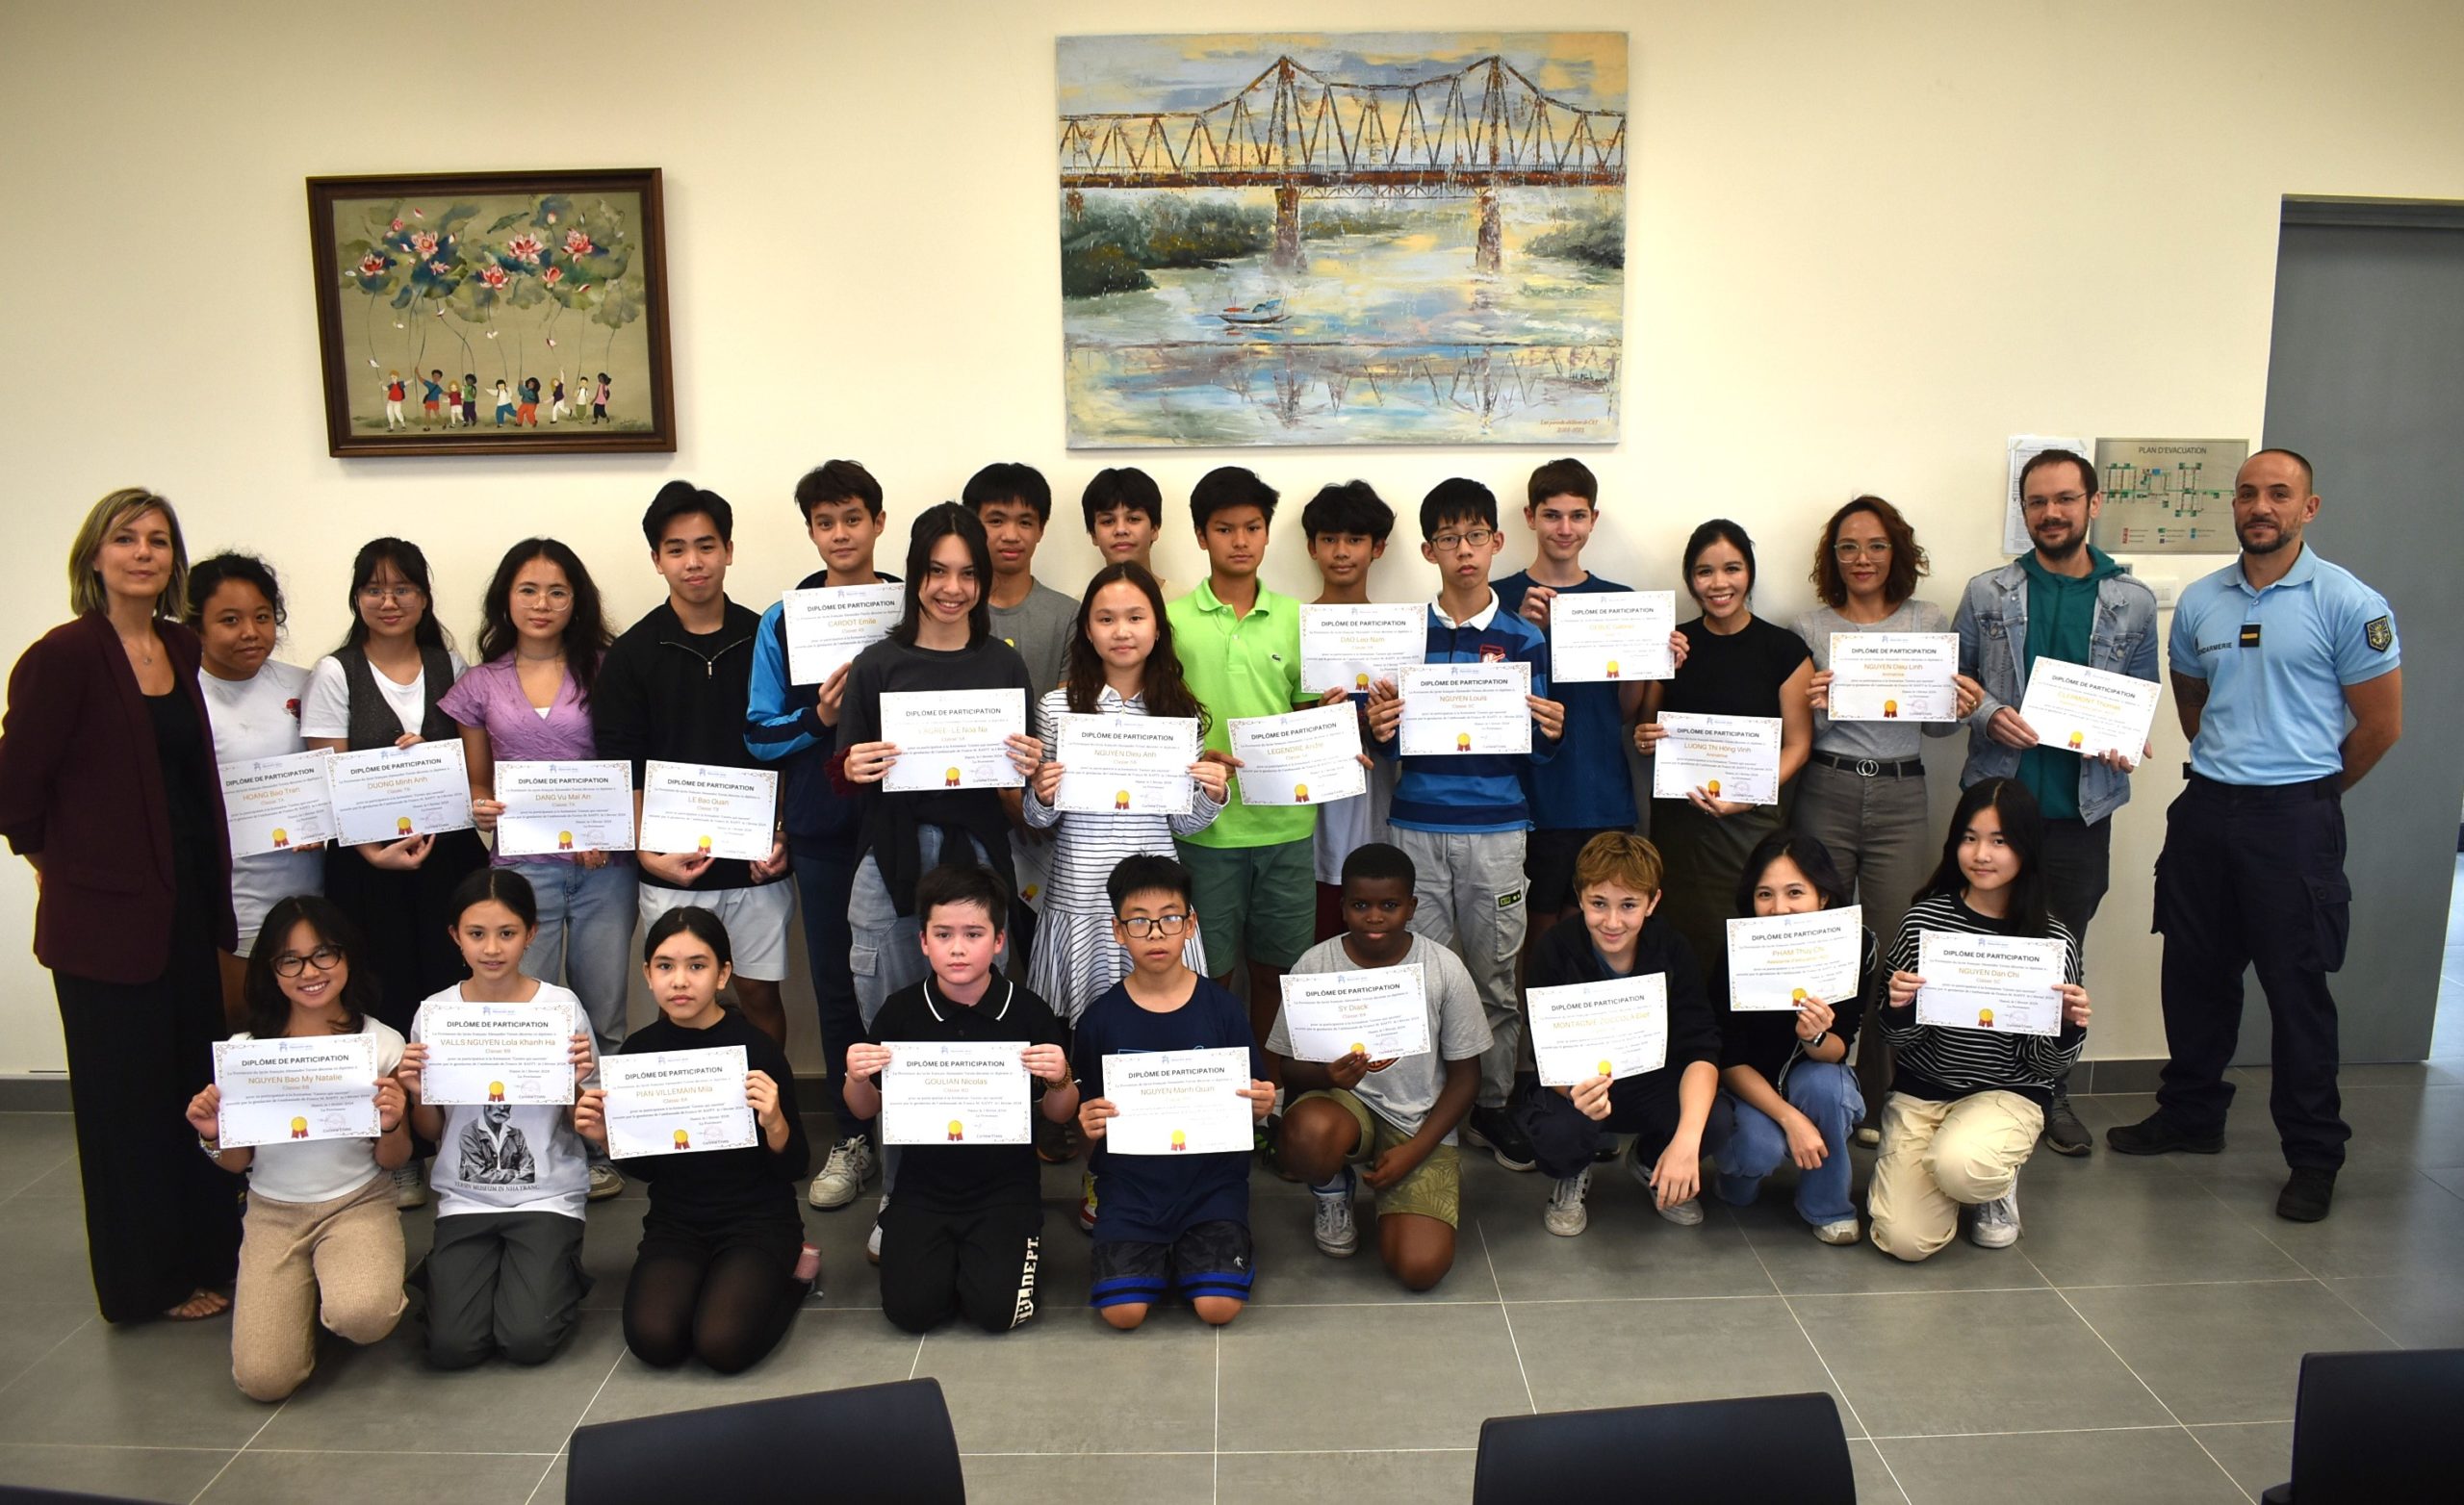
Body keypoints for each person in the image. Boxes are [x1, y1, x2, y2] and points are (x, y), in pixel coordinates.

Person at [2109, 448, 2403, 1224]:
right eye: (2248, 494)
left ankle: (2313, 1155)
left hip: (2295, 821)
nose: (2260, 506)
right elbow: (2193, 701)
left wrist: (2308, 792)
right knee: (2195, 973)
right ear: (2232, 507)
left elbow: (2380, 726)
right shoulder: (2204, 601)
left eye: (2279, 494)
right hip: (2208, 809)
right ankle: (2192, 1116)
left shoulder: (2348, 602)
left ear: (2309, 508)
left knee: (2296, 987)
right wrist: (2235, 776)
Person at [0, 488, 243, 1323]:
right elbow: (15, 793)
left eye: (160, 541)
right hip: (104, 925)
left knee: (196, 1090)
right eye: (126, 539)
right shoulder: (64, 655)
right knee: (125, 1108)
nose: (144, 553)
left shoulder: (179, 644)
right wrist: (54, 869)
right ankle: (146, 1283)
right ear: (94, 555)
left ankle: (210, 1256)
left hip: (181, 910)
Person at [835, 504, 1041, 1255]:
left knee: (984, 1029)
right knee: (895, 1032)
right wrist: (852, 766)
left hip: (979, 861)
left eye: (967, 574)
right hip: (890, 860)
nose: (952, 589)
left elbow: (1017, 800)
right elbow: (842, 777)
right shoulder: (877, 664)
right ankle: (902, 1193)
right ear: (915, 575)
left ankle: (992, 1189)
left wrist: (1027, 773)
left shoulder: (1004, 664)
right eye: (937, 572)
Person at [1952, 448, 2159, 1159]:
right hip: (1998, 808)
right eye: (2038, 502)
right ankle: (1972, 1082)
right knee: (1979, 951)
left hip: (2079, 815)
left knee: (2059, 958)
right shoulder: (1988, 592)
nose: (2052, 513)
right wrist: (1989, 716)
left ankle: (2049, 1090)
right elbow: (1956, 689)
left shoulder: (2131, 600)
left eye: (2066, 499)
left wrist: (2125, 737)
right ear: (2024, 510)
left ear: (2092, 504)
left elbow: (2140, 697)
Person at [1363, 477, 1566, 1172]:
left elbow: (1536, 747)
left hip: (1498, 830)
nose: (1464, 550)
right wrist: (1379, 728)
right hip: (1417, 825)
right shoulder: (1402, 635)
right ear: (1428, 550)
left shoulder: (1523, 637)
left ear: (1498, 542)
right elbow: (1385, 746)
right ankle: (1421, 1107)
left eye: (1476, 535)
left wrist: (1551, 732)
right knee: (1420, 975)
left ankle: (1493, 1104)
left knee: (1494, 978)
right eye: (1448, 538)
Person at [301, 537, 487, 1208]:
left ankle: (455, 1142)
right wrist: (373, 850)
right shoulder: (333, 672)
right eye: (375, 588)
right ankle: (397, 1148)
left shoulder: (452, 663)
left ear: (424, 596)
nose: (389, 601)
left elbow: (474, 771)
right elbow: (325, 782)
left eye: (404, 588)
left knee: (447, 994)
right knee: (381, 994)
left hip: (449, 860)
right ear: (356, 597)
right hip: (365, 867)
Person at [444, 537, 631, 1203]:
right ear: (506, 599)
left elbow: (625, 763)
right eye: (528, 589)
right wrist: (483, 805)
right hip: (520, 875)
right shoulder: (478, 684)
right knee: (530, 1014)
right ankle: (535, 1139)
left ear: (576, 599)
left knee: (602, 1009)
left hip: (604, 868)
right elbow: (475, 785)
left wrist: (605, 826)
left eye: (557, 590)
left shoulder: (608, 669)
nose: (543, 603)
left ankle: (597, 1142)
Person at [1791, 496, 1977, 1145]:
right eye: (1847, 547)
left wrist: (1959, 704)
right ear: (1831, 557)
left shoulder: (1929, 620)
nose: (1861, 559)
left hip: (1902, 795)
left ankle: (1881, 1094)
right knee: (1827, 947)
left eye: (1874, 546)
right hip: (1828, 787)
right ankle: (1825, 1088)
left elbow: (1937, 725)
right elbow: (1798, 730)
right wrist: (1813, 703)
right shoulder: (1808, 626)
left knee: (1900, 948)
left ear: (1896, 551)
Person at [183, 897, 411, 1399]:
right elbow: (238, 1163)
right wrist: (212, 1134)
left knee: (364, 1316)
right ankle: (302, 1293)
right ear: (272, 970)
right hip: (272, 1213)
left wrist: (392, 1123)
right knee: (264, 1381)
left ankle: (338, 1286)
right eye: (291, 959)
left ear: (347, 957)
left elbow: (394, 1161)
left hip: (357, 1202)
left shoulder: (382, 1043)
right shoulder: (246, 1052)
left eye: (324, 954)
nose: (309, 971)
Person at [591, 481, 793, 1046]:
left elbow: (793, 747)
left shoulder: (767, 637)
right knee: (678, 1000)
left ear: (729, 550)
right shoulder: (632, 654)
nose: (694, 562)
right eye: (676, 549)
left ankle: (764, 1115)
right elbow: (621, 762)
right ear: (657, 560)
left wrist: (784, 834)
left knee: (758, 996)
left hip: (758, 863)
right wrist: (647, 854)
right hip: (672, 862)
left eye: (706, 546)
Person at [745, 460, 894, 1213]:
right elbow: (758, 735)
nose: (840, 534)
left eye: (853, 518)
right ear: (810, 531)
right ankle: (854, 1136)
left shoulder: (913, 605)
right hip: (826, 829)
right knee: (837, 988)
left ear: (878, 523)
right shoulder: (785, 618)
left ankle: (919, 1130)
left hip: (905, 822)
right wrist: (820, 719)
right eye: (825, 522)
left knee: (916, 978)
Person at [842, 864, 1079, 1333]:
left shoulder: (1028, 1013)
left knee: (996, 1313)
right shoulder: (901, 1013)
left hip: (1005, 1189)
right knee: (910, 1313)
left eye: (973, 933)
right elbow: (866, 1109)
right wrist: (856, 1079)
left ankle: (994, 1251)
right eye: (943, 934)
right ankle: (941, 1253)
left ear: (998, 940)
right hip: (923, 1187)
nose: (957, 947)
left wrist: (1060, 1080)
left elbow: (1060, 1112)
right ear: (923, 941)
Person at [574, 906, 812, 1373]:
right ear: (647, 974)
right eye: (665, 966)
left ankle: (796, 1277)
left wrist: (776, 1124)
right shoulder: (639, 1053)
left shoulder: (757, 1047)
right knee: (654, 1342)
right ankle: (712, 1282)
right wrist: (607, 1138)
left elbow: (797, 1165)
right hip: (677, 1223)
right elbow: (649, 1169)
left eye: (696, 966)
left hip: (757, 1222)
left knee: (722, 1345)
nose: (679, 981)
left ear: (723, 973)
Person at [1868, 778, 2092, 1262]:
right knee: (1906, 1241)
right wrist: (1900, 1004)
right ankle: (1945, 1164)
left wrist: (2069, 1027)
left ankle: (1990, 1182)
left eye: (1999, 840)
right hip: (1922, 1092)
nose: (1981, 854)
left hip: (2007, 1092)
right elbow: (1894, 1036)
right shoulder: (1923, 922)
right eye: (1970, 838)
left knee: (1963, 1167)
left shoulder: (2052, 940)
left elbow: (2046, 1065)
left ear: (2026, 849)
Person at [1168, 466, 1341, 1046]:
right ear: (1200, 536)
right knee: (1207, 974)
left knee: (1278, 972)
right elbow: (1158, 721)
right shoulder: (1170, 620)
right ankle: (1216, 1089)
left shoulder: (1298, 619)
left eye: (1252, 527)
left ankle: (1265, 1097)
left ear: (1267, 534)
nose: (1239, 542)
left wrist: (1334, 726)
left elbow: (1310, 715)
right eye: (1224, 529)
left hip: (1287, 827)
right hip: (1205, 829)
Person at [1269, 842, 1489, 1288]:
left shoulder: (1444, 968)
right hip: (1343, 1107)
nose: (1374, 917)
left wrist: (1417, 1150)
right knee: (1308, 1135)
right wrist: (1325, 1076)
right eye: (1360, 905)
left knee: (1419, 1268)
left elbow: (1468, 1078)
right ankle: (1332, 1190)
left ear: (1411, 907)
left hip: (1419, 1122)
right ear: (1343, 907)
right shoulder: (1316, 964)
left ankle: (1398, 1188)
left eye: (1389, 905)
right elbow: (1287, 1066)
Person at [399, 869, 597, 1367]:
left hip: (547, 1195)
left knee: (527, 1341)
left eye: (507, 933)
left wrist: (578, 1083)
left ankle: (555, 1272)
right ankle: (456, 1277)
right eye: (476, 934)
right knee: (451, 1348)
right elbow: (433, 1133)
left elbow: (583, 1121)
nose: (492, 948)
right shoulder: (434, 1014)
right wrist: (417, 1093)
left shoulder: (561, 1007)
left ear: (531, 933)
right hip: (464, 1197)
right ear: (455, 937)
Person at [1073, 855, 1275, 1328]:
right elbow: (1088, 1116)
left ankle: (1205, 1250)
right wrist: (1086, 1124)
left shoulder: (1223, 1010)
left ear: (1191, 925)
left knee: (1218, 1308)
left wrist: (1261, 1107)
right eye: (1139, 923)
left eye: (1170, 918)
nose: (1156, 933)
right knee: (1123, 1313)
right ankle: (1160, 1255)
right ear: (1118, 931)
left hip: (1211, 1185)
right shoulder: (1100, 1018)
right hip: (1131, 1187)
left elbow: (1251, 1100)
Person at [1024, 563, 1227, 1022]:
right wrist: (1042, 794)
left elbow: (1183, 823)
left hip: (1155, 897)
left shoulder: (1178, 714)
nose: (1122, 631)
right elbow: (1038, 820)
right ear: (1088, 633)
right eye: (1106, 619)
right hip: (1080, 892)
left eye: (1136, 617)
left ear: (1157, 629)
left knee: (1160, 1025)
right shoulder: (1057, 708)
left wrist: (1211, 796)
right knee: (1081, 1029)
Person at [1493, 459, 1662, 956]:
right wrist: (1522, 633)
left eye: (1577, 515)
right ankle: (1529, 1035)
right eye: (1552, 515)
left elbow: (1625, 711)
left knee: (1599, 937)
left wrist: (1649, 660)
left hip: (1602, 794)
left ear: (1593, 519)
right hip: (1529, 797)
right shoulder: (1499, 599)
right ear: (1529, 517)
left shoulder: (1619, 600)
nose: (1565, 529)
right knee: (1537, 935)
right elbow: (1480, 707)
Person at [1514, 833, 1721, 1236]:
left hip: (1652, 1084)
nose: (1612, 922)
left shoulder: (1672, 948)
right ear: (1580, 896)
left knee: (1717, 1120)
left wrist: (1686, 1140)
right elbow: (1544, 1051)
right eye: (1598, 904)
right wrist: (1574, 1092)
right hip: (1578, 1086)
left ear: (1653, 902)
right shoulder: (1555, 948)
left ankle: (1653, 1160)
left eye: (1628, 905)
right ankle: (1573, 1171)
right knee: (1558, 1134)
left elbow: (1701, 1046)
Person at [1634, 520, 1814, 975]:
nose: (1718, 584)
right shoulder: (1674, 644)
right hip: (1680, 827)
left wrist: (1748, 797)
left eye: (1731, 569)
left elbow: (1798, 745)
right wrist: (1645, 735)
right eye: (1704, 572)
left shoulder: (1784, 649)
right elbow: (1646, 727)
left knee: (1748, 944)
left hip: (1750, 824)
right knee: (1680, 940)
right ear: (1690, 580)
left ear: (1749, 573)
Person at [1703, 831, 1878, 1245]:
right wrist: (1790, 1119)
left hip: (1811, 1073)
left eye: (1794, 892)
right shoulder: (1737, 951)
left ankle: (1829, 1206)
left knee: (1825, 1087)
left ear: (1824, 897)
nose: (1779, 909)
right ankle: (1738, 1178)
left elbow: (1840, 1046)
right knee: (1755, 1150)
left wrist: (1815, 1036)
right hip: (1749, 1087)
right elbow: (1728, 1058)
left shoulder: (1855, 946)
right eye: (1765, 894)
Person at [186, 551, 324, 1026]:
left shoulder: (306, 684)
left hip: (314, 889)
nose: (250, 632)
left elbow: (338, 774)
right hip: (233, 898)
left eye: (262, 617)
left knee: (311, 1029)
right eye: (230, 620)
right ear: (196, 626)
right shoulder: (183, 697)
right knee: (242, 1031)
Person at [1297, 479, 1400, 942]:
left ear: (1378, 548)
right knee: (1316, 946)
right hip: (1308, 828)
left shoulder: (1400, 634)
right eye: (1329, 539)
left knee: (1374, 944)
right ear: (1311, 547)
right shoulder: (1291, 627)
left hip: (1377, 813)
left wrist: (1382, 722)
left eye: (1355, 539)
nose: (1342, 551)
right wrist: (1316, 720)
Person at [967, 462, 1078, 703]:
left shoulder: (1068, 615)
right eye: (996, 521)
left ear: (1041, 530)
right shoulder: (952, 608)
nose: (1011, 536)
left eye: (1025, 522)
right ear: (973, 526)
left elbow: (1064, 711)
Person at [1082, 466, 1166, 580]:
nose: (1120, 530)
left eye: (1133, 519)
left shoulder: (1184, 598)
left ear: (1154, 529)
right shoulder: (1083, 599)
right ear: (1093, 534)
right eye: (1108, 521)